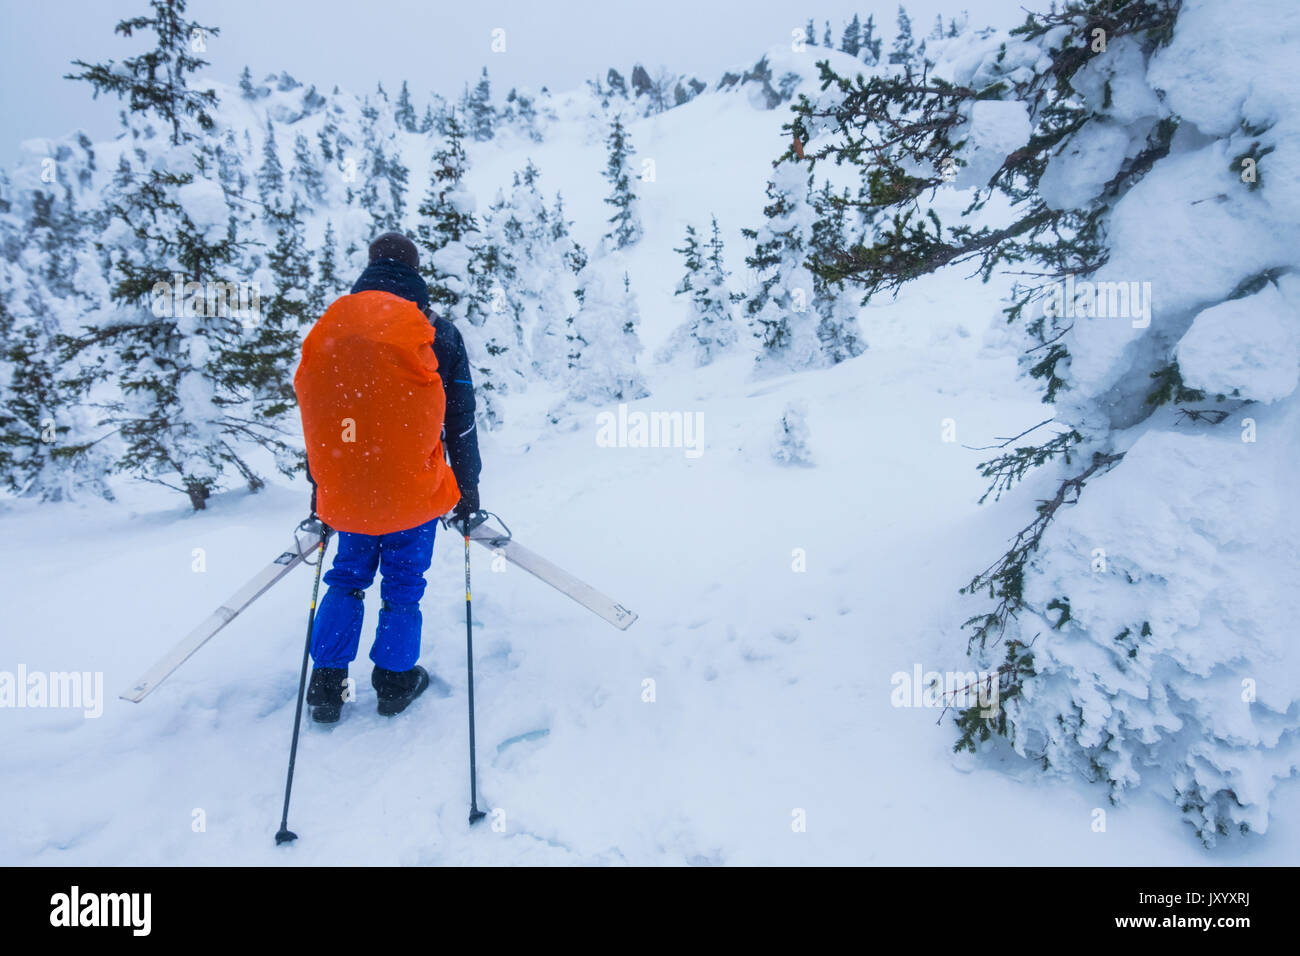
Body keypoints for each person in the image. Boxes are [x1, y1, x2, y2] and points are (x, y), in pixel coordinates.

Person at [294, 232, 482, 722]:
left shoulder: (332, 327)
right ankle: (395, 683)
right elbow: (459, 419)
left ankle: (327, 685)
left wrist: (322, 493)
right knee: (403, 581)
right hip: (414, 490)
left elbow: (320, 419)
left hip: (349, 492)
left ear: (370, 268)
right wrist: (467, 492)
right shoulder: (436, 330)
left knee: (347, 577)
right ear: (415, 272)